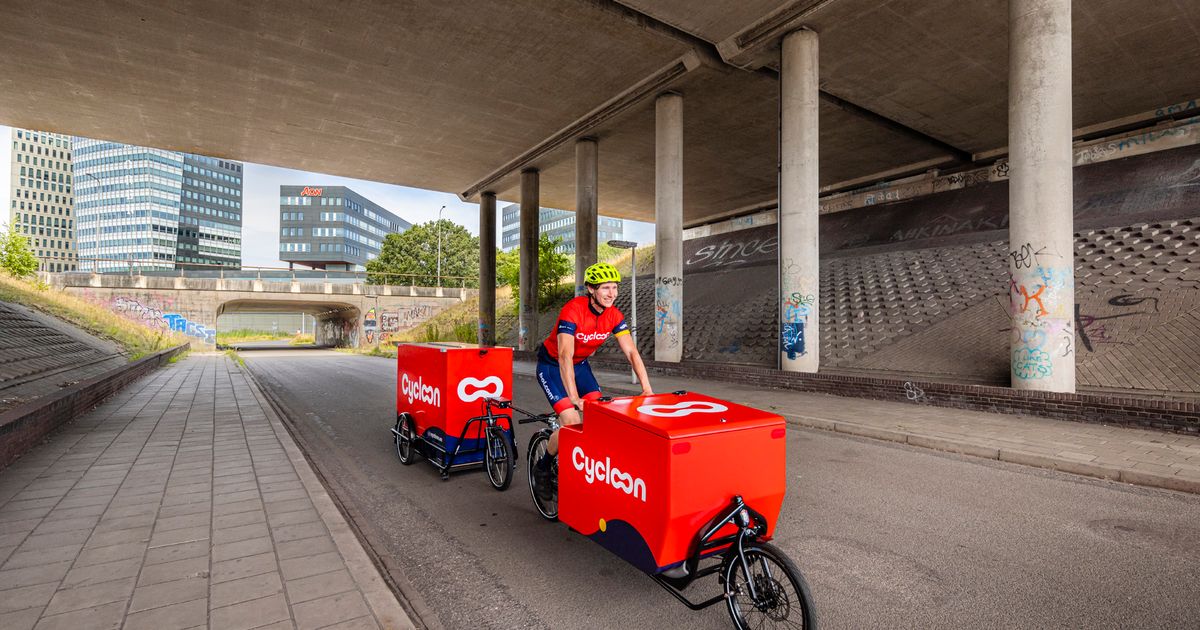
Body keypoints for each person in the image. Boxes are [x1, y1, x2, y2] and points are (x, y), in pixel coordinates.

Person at [532, 262, 653, 498]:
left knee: (601, 418)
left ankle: (588, 468)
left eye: (615, 288)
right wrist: (574, 398)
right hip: (552, 367)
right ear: (591, 289)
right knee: (572, 421)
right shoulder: (573, 310)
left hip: (580, 367)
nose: (612, 293)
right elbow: (565, 355)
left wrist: (647, 389)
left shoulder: (614, 315)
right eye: (605, 288)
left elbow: (631, 352)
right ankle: (543, 467)